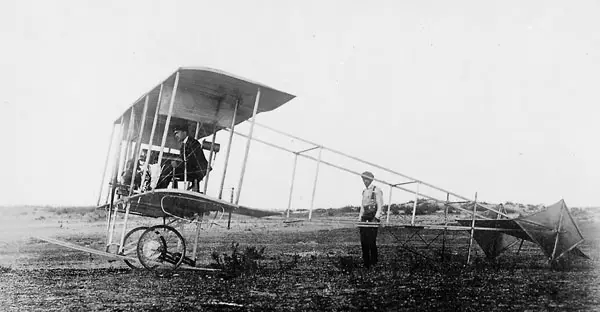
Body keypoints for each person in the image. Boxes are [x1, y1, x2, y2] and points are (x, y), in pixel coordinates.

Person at [170, 122, 209, 191]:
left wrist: (177, 165)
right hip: (191, 169)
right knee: (170, 170)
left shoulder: (193, 143)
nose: (176, 135)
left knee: (169, 170)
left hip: (198, 170)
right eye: (175, 134)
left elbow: (192, 161)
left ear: (184, 132)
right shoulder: (183, 146)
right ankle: (174, 191)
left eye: (177, 133)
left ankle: (160, 188)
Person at [358, 171, 383, 268]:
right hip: (365, 217)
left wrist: (376, 218)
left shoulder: (376, 190)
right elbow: (362, 206)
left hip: (373, 217)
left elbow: (380, 205)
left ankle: (374, 261)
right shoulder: (364, 191)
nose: (365, 181)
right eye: (363, 179)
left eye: (367, 179)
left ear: (371, 179)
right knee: (363, 240)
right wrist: (360, 218)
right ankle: (366, 262)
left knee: (371, 240)